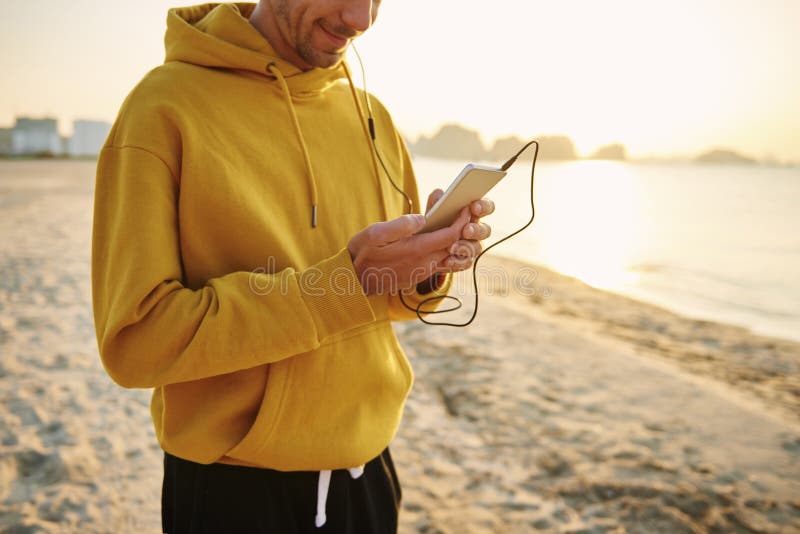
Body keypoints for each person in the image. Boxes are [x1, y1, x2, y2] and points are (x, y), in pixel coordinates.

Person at [91, 1, 494, 532]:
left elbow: (392, 301)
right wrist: (343, 286)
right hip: (237, 494)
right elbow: (136, 344)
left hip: (370, 477)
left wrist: (428, 266)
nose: (361, 18)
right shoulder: (162, 107)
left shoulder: (371, 115)